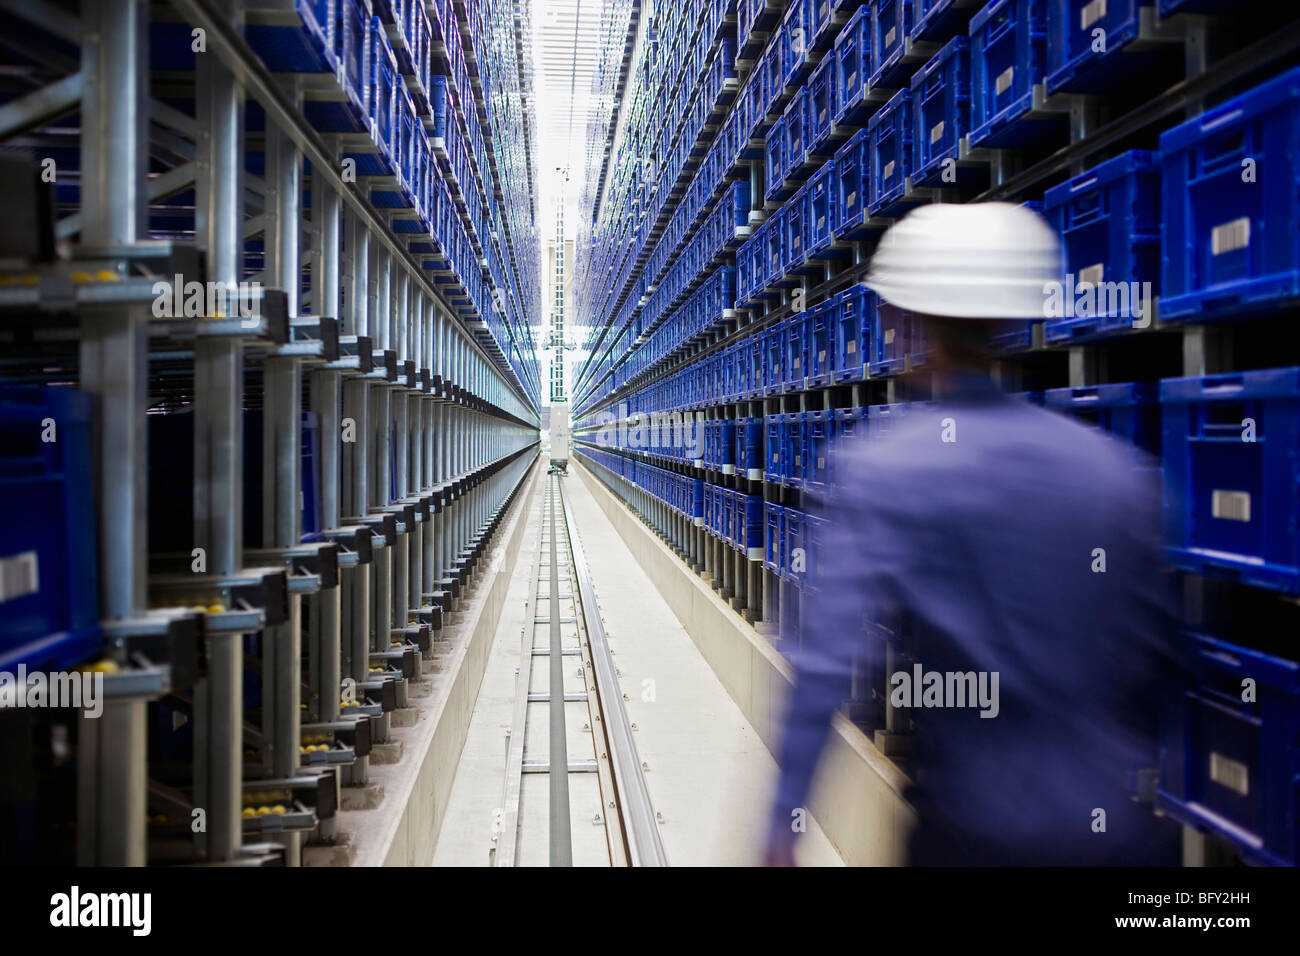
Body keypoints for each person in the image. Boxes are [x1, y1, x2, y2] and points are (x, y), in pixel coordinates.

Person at [765, 203, 1182, 866]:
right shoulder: (1116, 472)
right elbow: (1160, 662)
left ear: (907, 323)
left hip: (974, 834)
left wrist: (782, 825)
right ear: (1011, 319)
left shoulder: (885, 468)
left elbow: (823, 667)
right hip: (1119, 838)